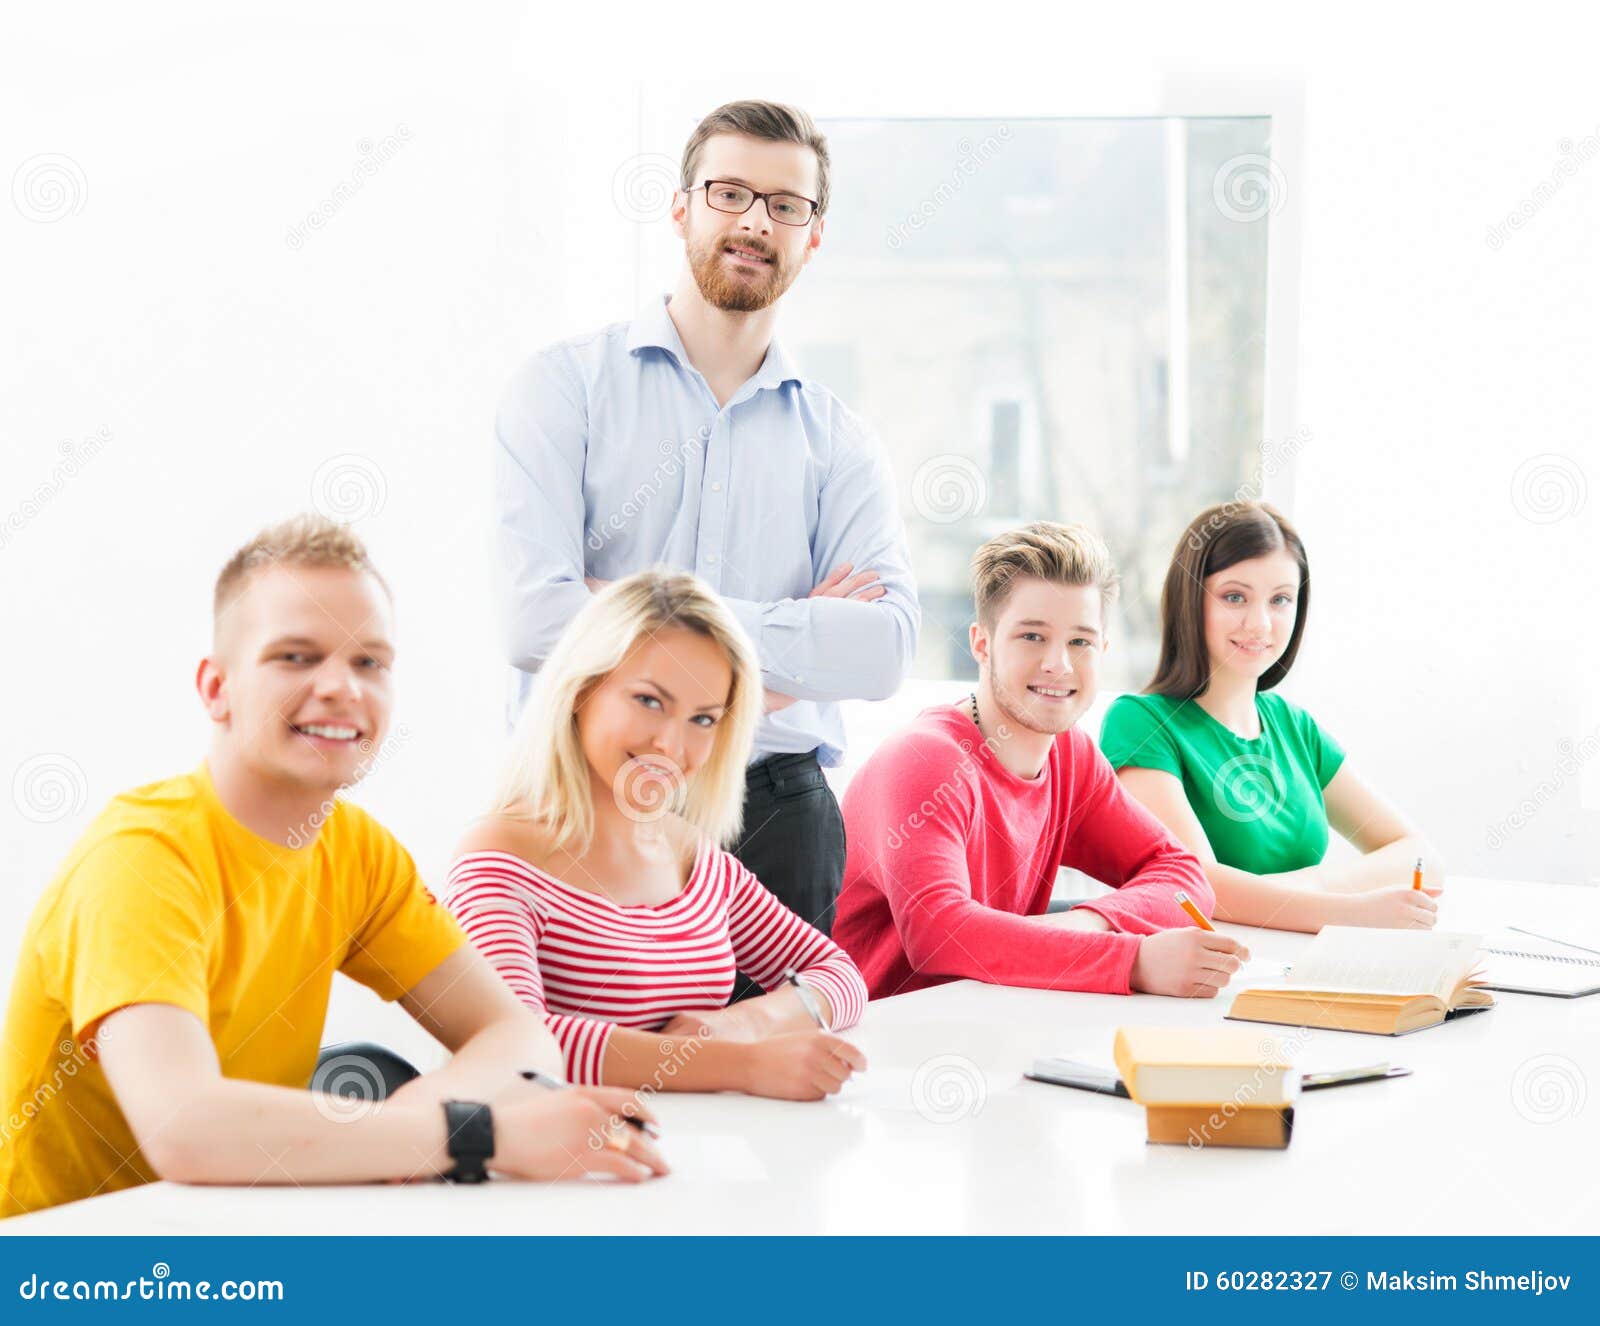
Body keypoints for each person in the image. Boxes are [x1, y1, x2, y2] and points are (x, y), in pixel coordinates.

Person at [0, 515, 664, 1219]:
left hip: (225, 1234)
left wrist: (418, 1134)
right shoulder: (141, 859)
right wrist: (476, 1135)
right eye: (296, 656)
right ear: (215, 688)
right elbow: (184, 1130)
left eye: (369, 662)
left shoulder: (356, 850)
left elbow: (518, 1033)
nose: (342, 688)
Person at [494, 99, 919, 943]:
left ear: (813, 233)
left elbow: (884, 649)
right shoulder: (564, 389)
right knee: (579, 1067)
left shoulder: (841, 443)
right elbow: (536, 621)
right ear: (683, 205)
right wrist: (780, 664)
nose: (756, 222)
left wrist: (626, 622)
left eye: (785, 205)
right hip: (584, 802)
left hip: (776, 822)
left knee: (781, 1063)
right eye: (730, 193)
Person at [447, 570, 869, 1099]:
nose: (671, 744)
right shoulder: (498, 861)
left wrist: (743, 1024)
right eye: (649, 701)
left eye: (704, 719)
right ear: (582, 688)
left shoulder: (696, 860)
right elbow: (518, 1046)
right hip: (570, 1171)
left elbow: (839, 973)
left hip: (690, 1160)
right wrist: (740, 1065)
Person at [833, 522, 1249, 1000]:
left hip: (996, 1015)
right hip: (884, 1044)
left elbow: (1181, 872)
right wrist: (1133, 961)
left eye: (1080, 642)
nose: (1059, 665)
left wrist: (1087, 922)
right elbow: (939, 935)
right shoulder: (926, 760)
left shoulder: (1072, 756)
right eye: (1032, 636)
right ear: (982, 643)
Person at [1098, 501, 1441, 933]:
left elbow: (1420, 857)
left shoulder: (1295, 727)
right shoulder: (1140, 723)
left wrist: (1311, 885)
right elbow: (1197, 885)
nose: (1260, 623)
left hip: (1299, 965)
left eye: (1280, 600)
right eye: (1234, 596)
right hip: (1205, 978)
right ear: (1191, 600)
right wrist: (1347, 910)